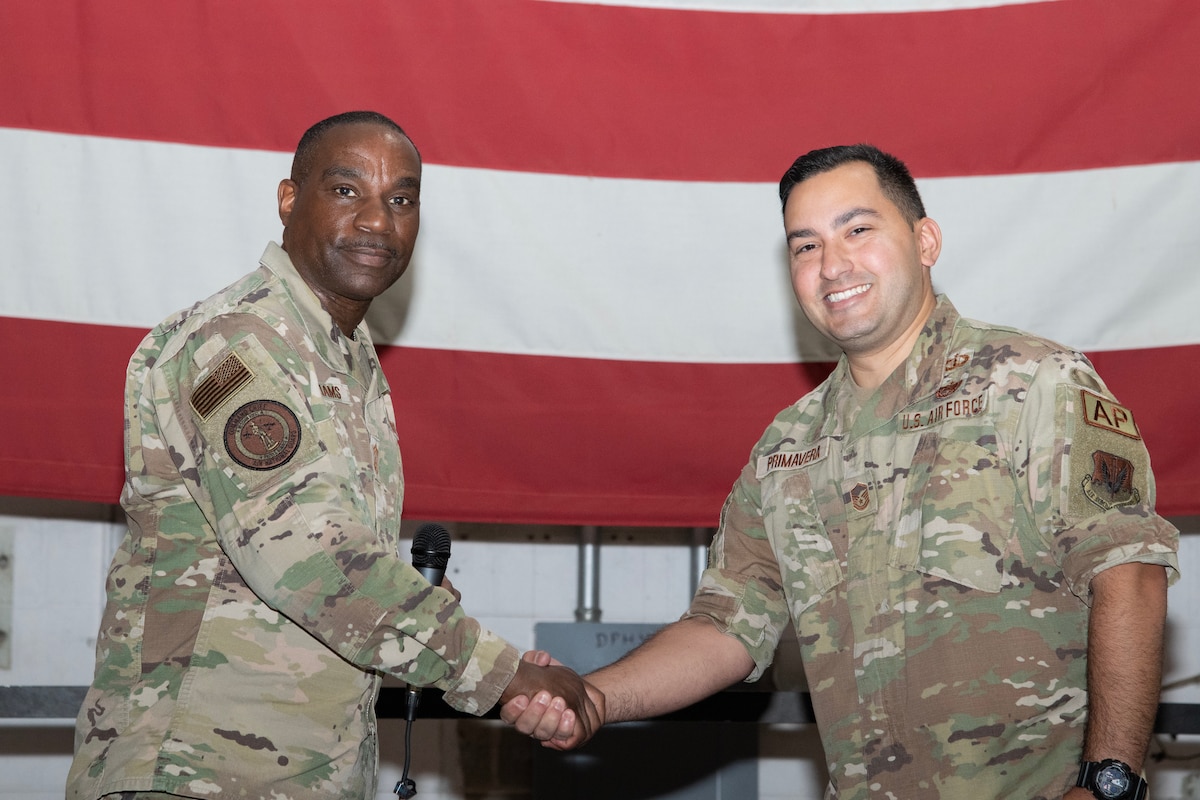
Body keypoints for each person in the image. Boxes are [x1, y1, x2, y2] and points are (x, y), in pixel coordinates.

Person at [502, 144, 1180, 799]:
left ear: (925, 242)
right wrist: (595, 696)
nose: (832, 264)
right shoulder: (787, 449)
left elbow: (1129, 575)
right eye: (806, 246)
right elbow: (727, 626)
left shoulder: (1033, 384)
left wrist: (1109, 783)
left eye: (857, 229)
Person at [67, 110, 600, 800]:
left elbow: (337, 572)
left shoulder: (342, 357)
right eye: (347, 191)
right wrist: (503, 674)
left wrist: (419, 616)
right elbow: (313, 561)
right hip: (195, 772)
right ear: (290, 200)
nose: (379, 220)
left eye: (401, 200)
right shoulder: (234, 345)